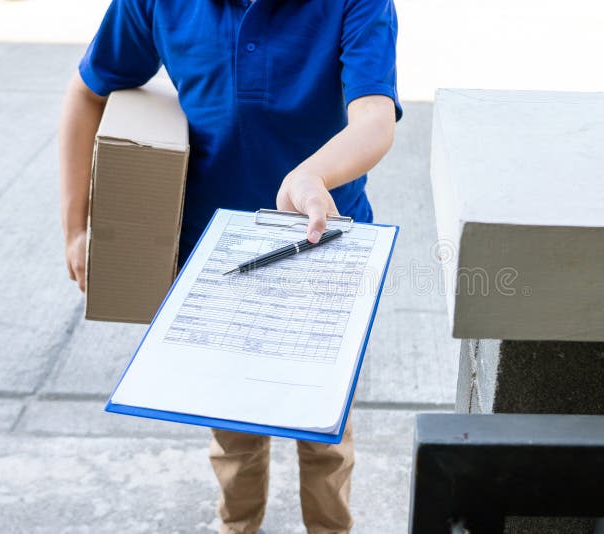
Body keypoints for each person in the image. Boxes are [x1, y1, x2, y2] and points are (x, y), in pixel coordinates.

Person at [58, 1, 402, 532]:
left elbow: (375, 117)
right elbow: (87, 91)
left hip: (320, 243)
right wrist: (77, 225)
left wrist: (312, 175)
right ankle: (236, 525)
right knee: (231, 429)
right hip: (211, 256)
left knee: (323, 431)